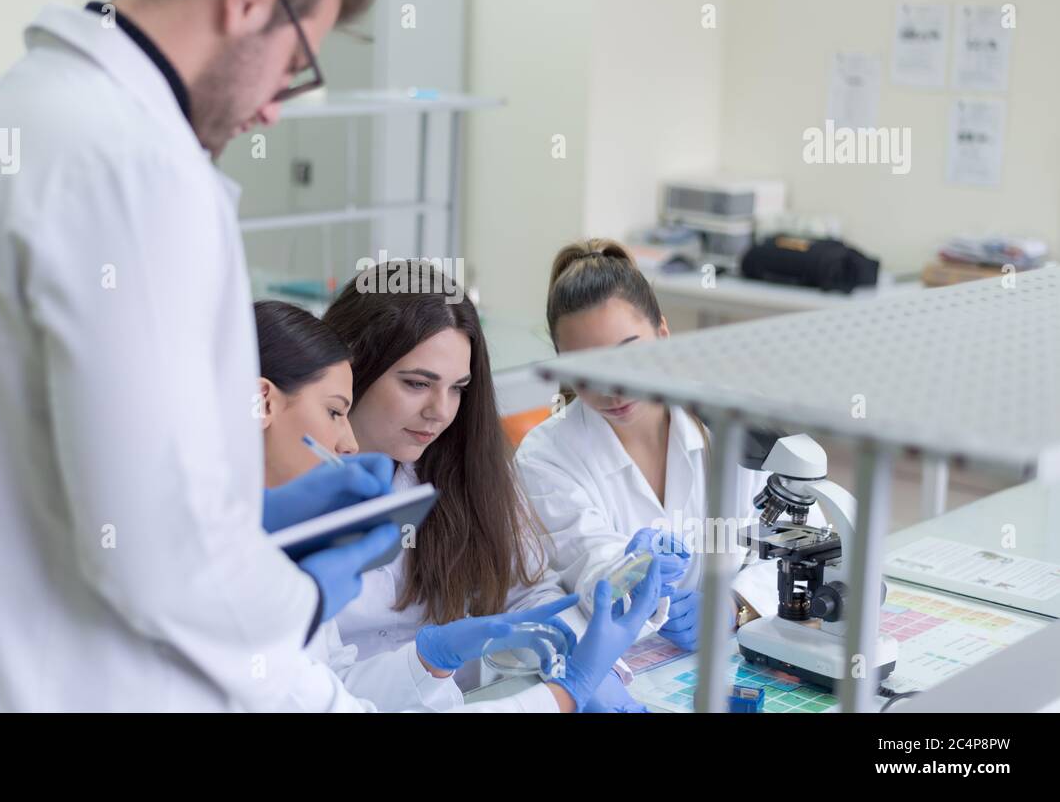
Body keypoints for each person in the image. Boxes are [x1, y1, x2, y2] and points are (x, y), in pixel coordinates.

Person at [0, 0, 398, 711]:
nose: (272, 112)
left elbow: (50, 470)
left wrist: (249, 523)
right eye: (294, 64)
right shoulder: (135, 168)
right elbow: (155, 556)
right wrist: (301, 596)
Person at [252, 299, 658, 713]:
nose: (440, 412)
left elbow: (530, 592)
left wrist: (577, 665)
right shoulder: (256, 549)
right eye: (416, 384)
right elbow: (333, 692)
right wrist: (564, 695)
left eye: (458, 389)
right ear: (361, 371)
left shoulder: (465, 469)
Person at [516, 239, 808, 649]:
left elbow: (800, 542)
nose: (613, 389)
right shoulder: (546, 457)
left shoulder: (732, 424)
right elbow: (592, 563)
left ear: (664, 335)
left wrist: (732, 606)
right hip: (615, 662)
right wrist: (630, 571)